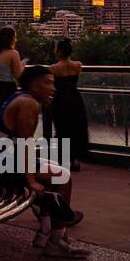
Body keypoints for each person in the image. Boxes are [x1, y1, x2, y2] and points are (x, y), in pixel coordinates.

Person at [0, 65, 89, 258]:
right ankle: (56, 241)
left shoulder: (18, 96)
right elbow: (25, 145)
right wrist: (31, 181)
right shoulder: (28, 104)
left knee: (51, 172)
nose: (53, 88)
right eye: (48, 83)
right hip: (0, 166)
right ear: (33, 85)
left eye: (53, 83)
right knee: (63, 177)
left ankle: (46, 230)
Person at [47, 38, 89, 171]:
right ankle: (76, 159)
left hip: (60, 100)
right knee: (77, 128)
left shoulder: (53, 68)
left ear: (59, 52)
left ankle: (64, 159)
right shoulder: (78, 65)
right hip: (75, 98)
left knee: (62, 129)